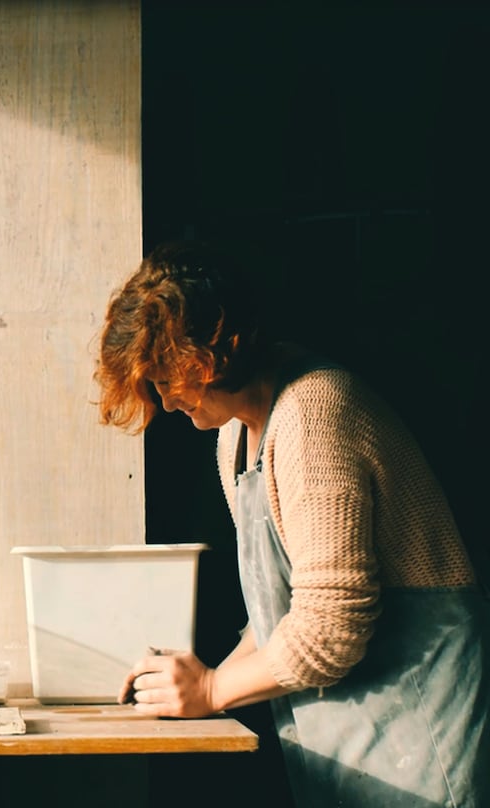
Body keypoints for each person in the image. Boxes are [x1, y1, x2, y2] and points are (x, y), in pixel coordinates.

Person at [95, 240, 489, 807]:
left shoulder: (314, 412)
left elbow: (330, 628)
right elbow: (281, 615)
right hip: (351, 734)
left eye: (170, 378)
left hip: (420, 727)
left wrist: (212, 689)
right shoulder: (234, 436)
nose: (167, 400)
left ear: (214, 353)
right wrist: (195, 685)